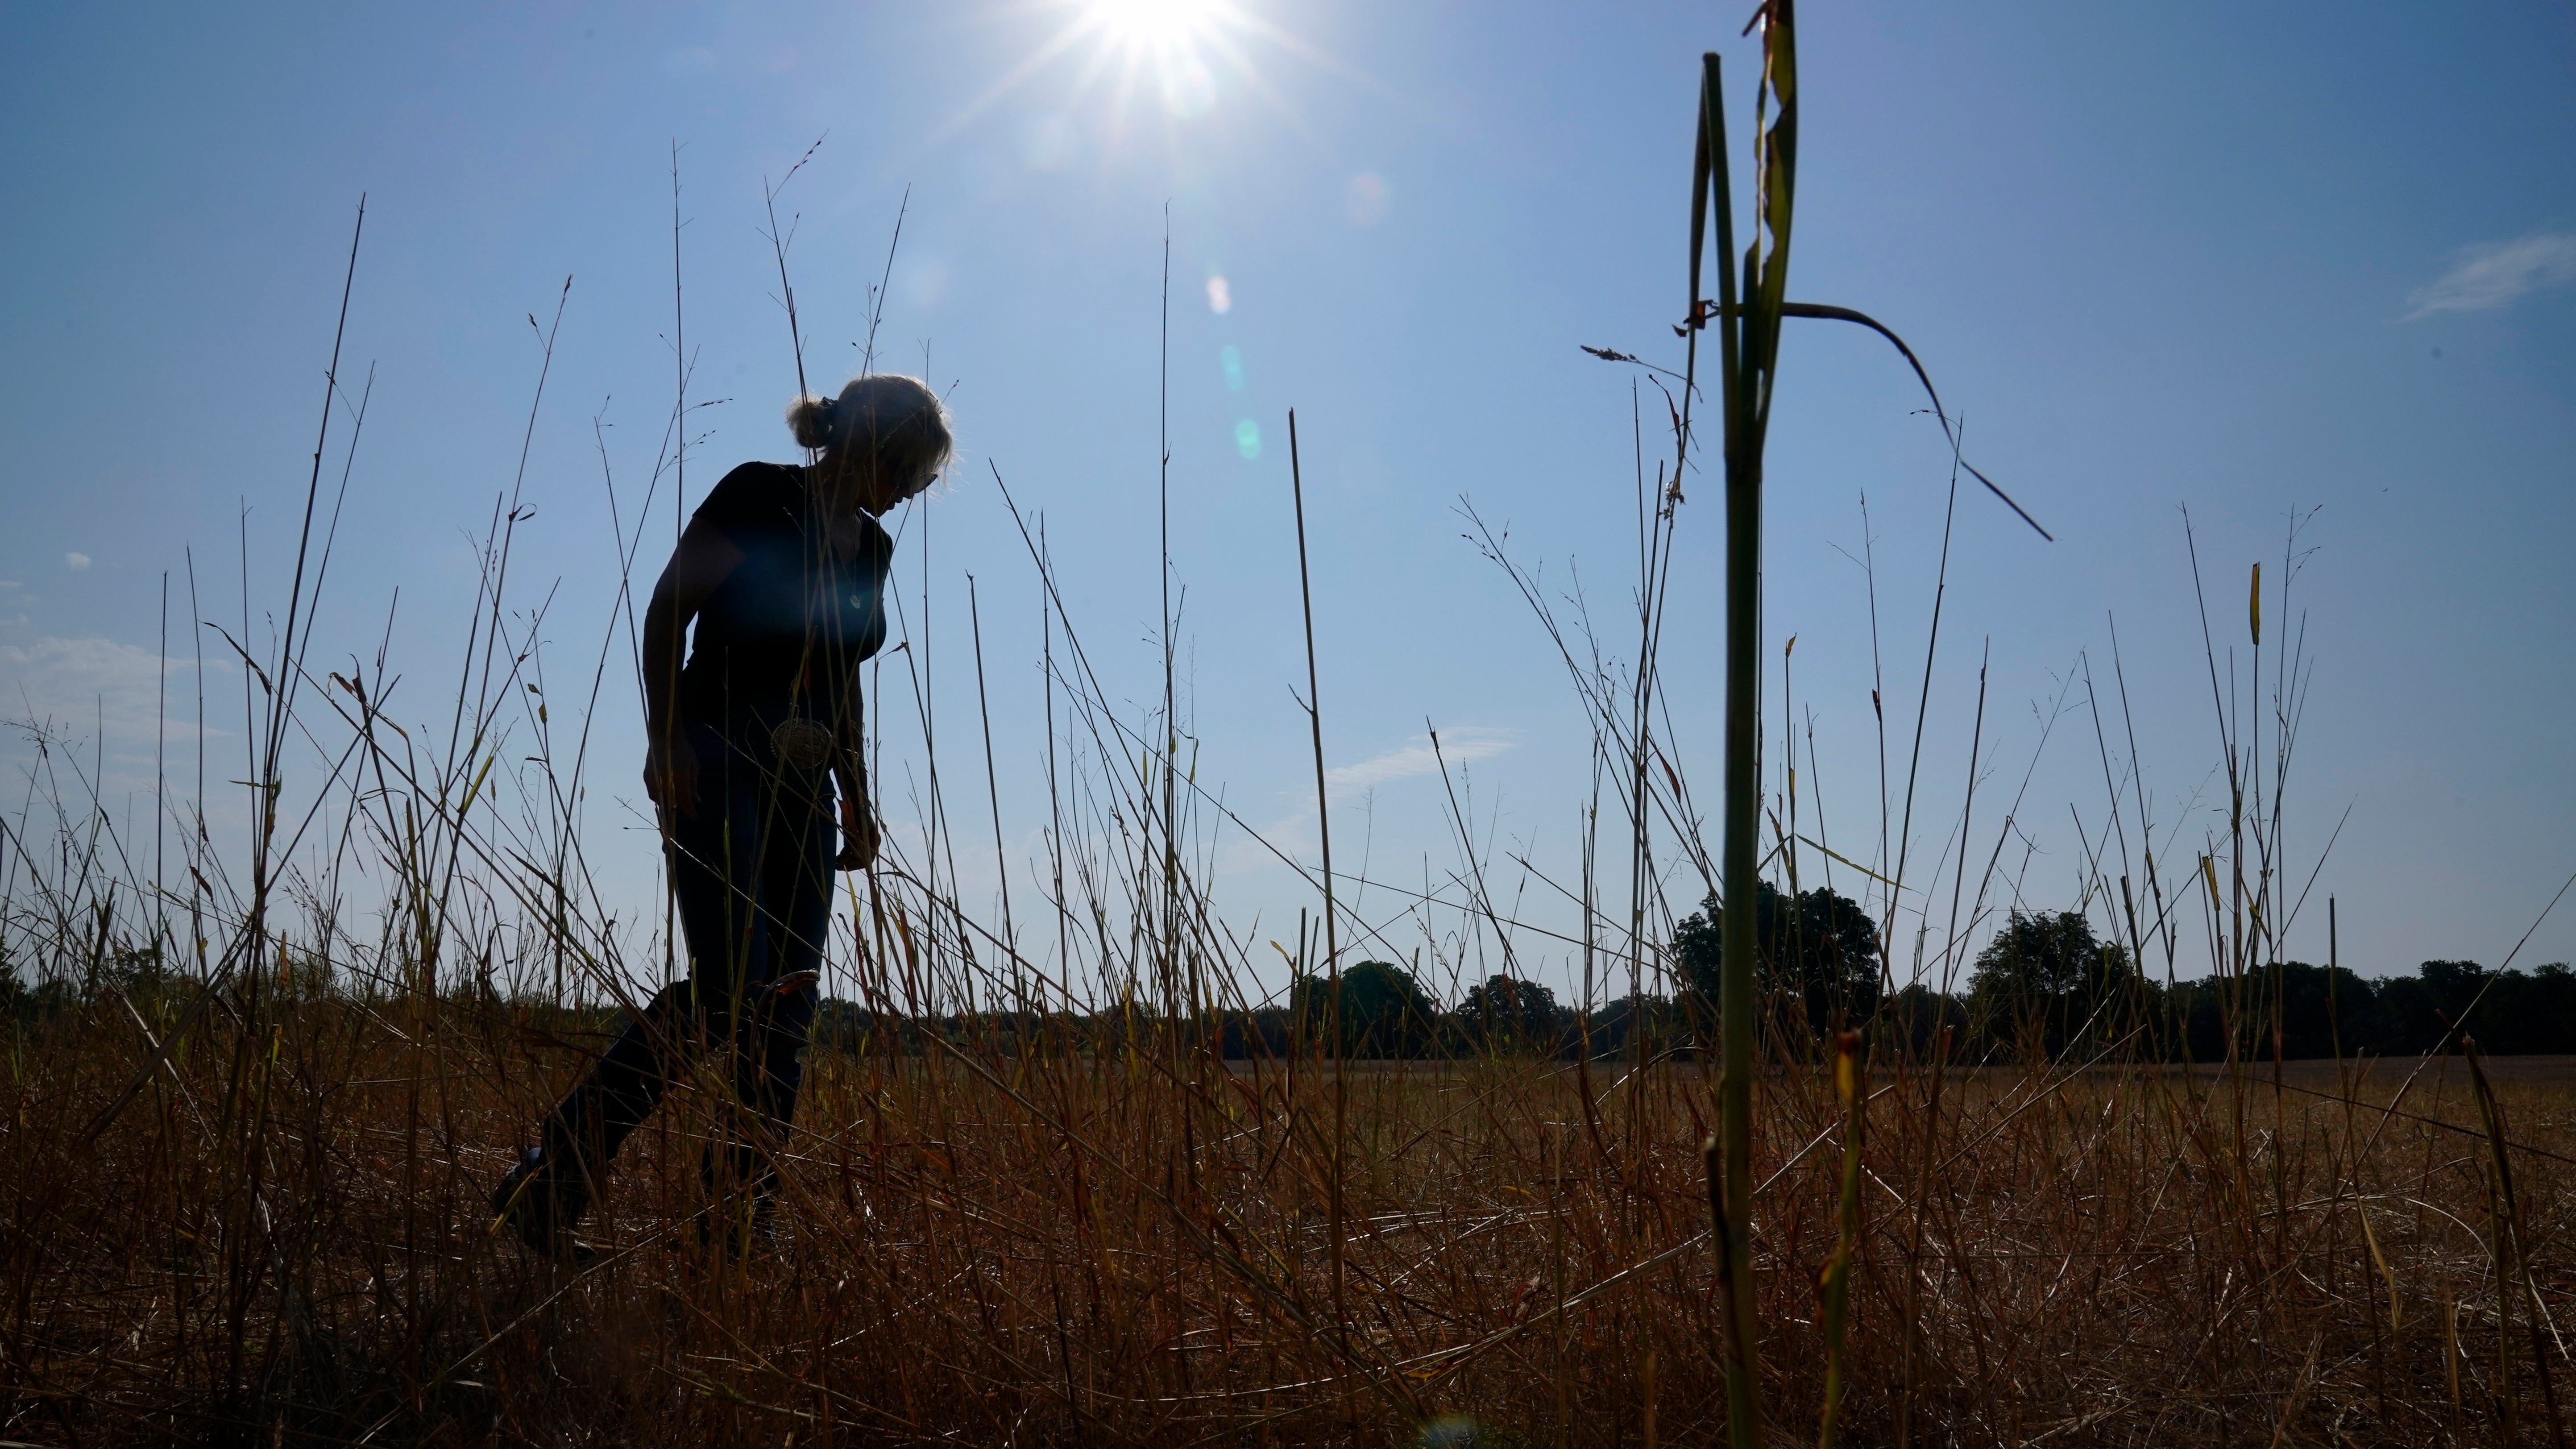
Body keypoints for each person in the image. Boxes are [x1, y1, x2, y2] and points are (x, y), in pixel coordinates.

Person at [492, 373, 950, 1260]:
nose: (909, 494)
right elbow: (672, 605)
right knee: (730, 986)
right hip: (718, 751)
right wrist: (666, 734)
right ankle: (555, 1176)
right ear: (869, 448)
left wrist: (856, 794)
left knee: (788, 1001)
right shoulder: (756, 493)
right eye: (907, 472)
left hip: (804, 780)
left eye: (920, 483)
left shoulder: (872, 548)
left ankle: (738, 1220)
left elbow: (840, 675)